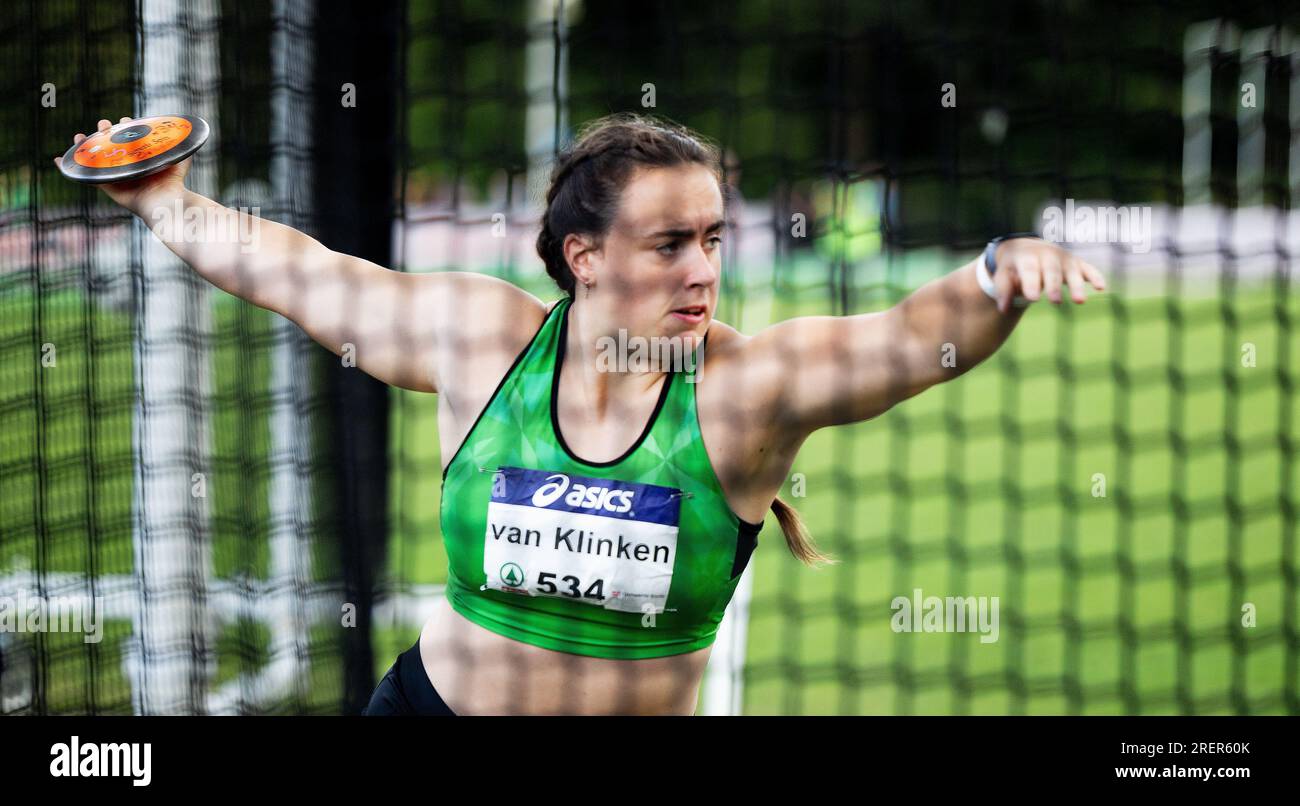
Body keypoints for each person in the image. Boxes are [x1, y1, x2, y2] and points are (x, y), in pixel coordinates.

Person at [57, 113, 1105, 716]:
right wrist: (159, 197)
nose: (702, 269)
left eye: (712, 238)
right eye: (668, 244)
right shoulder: (482, 340)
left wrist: (996, 271)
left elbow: (907, 338)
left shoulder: (744, 392)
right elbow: (302, 273)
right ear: (585, 257)